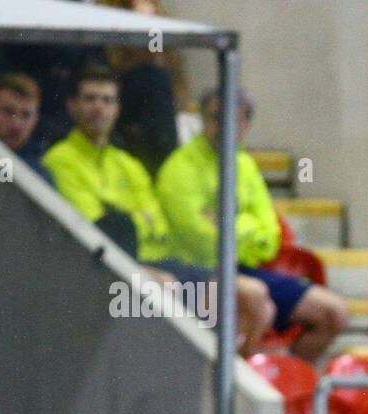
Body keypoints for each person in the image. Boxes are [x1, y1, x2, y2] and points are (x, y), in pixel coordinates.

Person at [43, 67, 275, 355]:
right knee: (172, 289)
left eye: (107, 100)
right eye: (90, 99)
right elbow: (100, 228)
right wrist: (140, 220)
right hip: (107, 266)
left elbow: (159, 227)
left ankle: (226, 385)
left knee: (253, 297)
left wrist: (134, 219)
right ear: (72, 106)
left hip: (160, 259)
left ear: (117, 109)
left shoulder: (128, 163)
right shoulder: (60, 160)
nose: (98, 107)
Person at [156, 90, 349, 362]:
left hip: (244, 267)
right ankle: (240, 389)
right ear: (202, 120)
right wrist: (247, 230)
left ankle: (284, 385)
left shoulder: (245, 165)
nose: (224, 127)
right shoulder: (179, 169)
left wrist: (228, 226)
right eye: (215, 118)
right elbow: (201, 240)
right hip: (198, 270)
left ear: (246, 125)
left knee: (334, 313)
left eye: (234, 120)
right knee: (258, 303)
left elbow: (271, 236)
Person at [98, 0, 190, 175]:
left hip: (154, 112)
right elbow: (114, 63)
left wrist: (152, 25)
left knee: (156, 78)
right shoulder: (107, 10)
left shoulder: (155, 13)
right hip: (122, 102)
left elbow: (159, 61)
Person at [0, 73, 50, 180]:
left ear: (36, 120)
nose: (16, 124)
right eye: (8, 112)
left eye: (26, 115)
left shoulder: (40, 179)